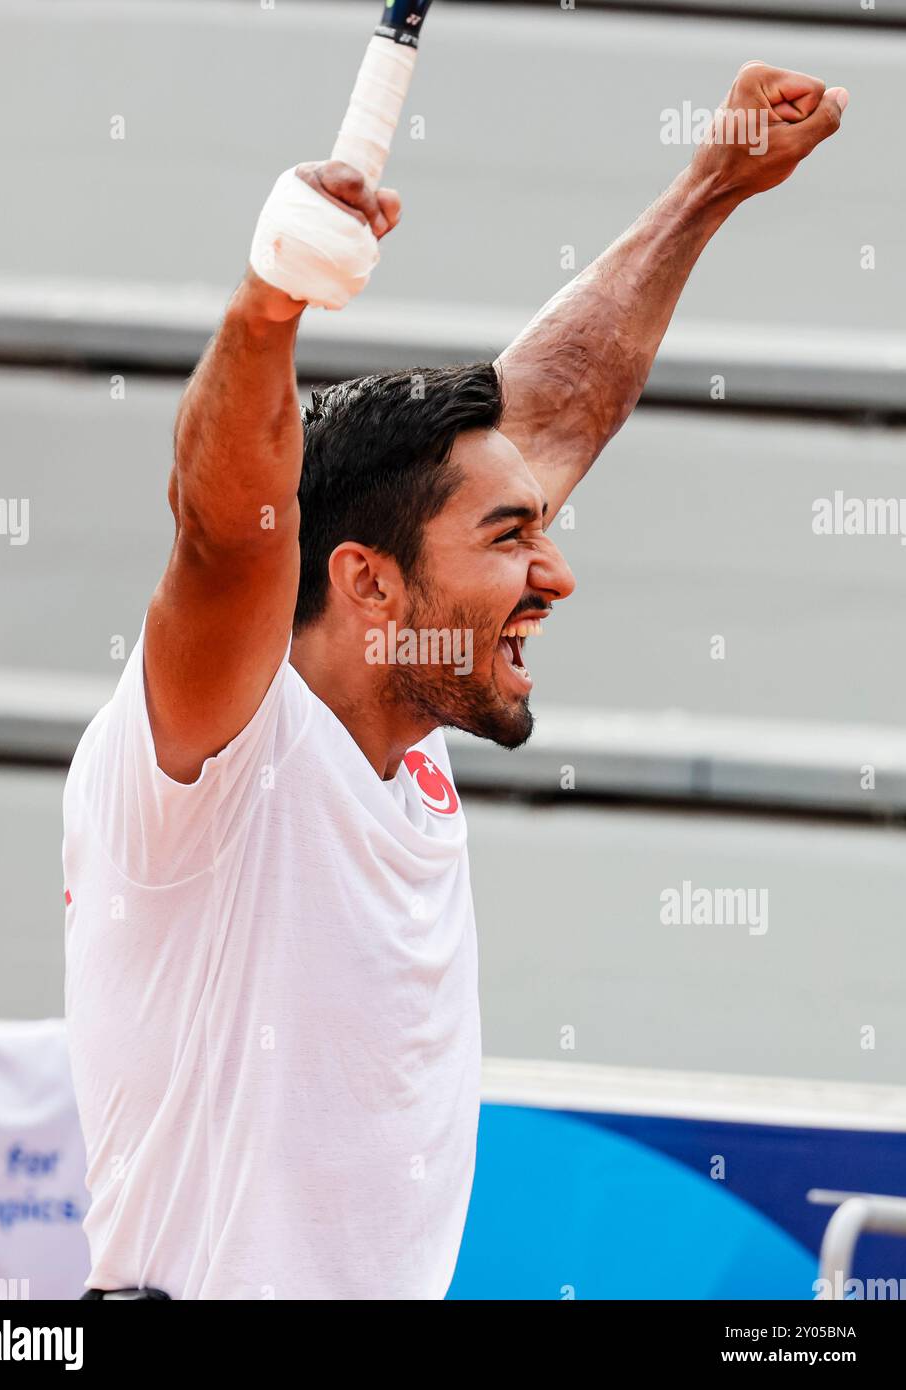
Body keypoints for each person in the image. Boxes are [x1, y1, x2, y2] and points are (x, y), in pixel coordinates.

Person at [63, 62, 847, 1299]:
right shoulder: (226, 750)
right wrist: (270, 303)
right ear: (366, 583)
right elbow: (225, 532)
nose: (556, 573)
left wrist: (711, 182)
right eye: (508, 541)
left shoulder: (404, 716)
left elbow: (559, 406)